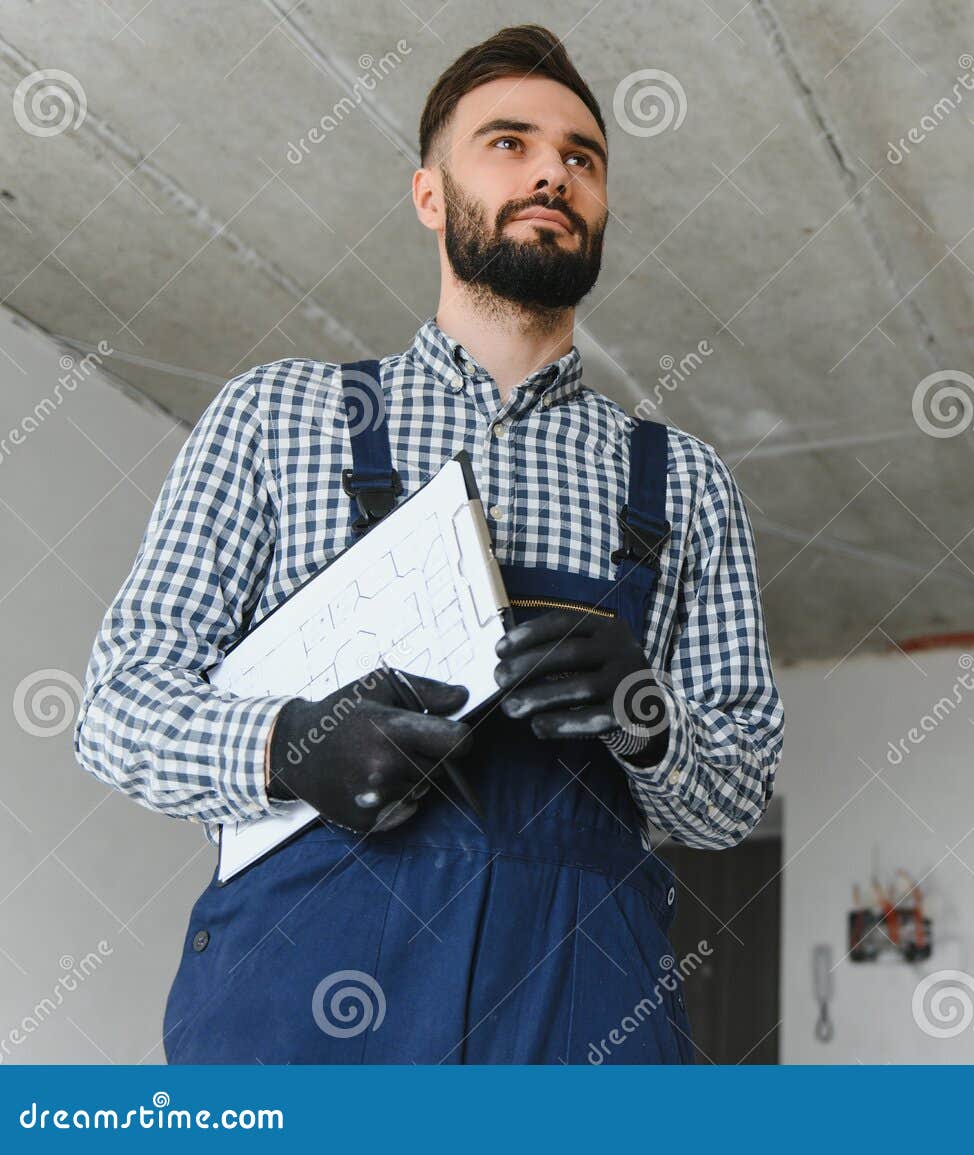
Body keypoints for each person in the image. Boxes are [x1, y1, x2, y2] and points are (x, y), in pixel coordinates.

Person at [71, 24, 783, 1064]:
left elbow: (735, 798)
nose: (553, 172)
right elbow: (117, 709)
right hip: (306, 1025)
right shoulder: (280, 418)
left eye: (582, 158)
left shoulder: (682, 481)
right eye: (509, 143)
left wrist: (651, 716)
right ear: (428, 195)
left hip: (581, 1024)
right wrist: (289, 746)